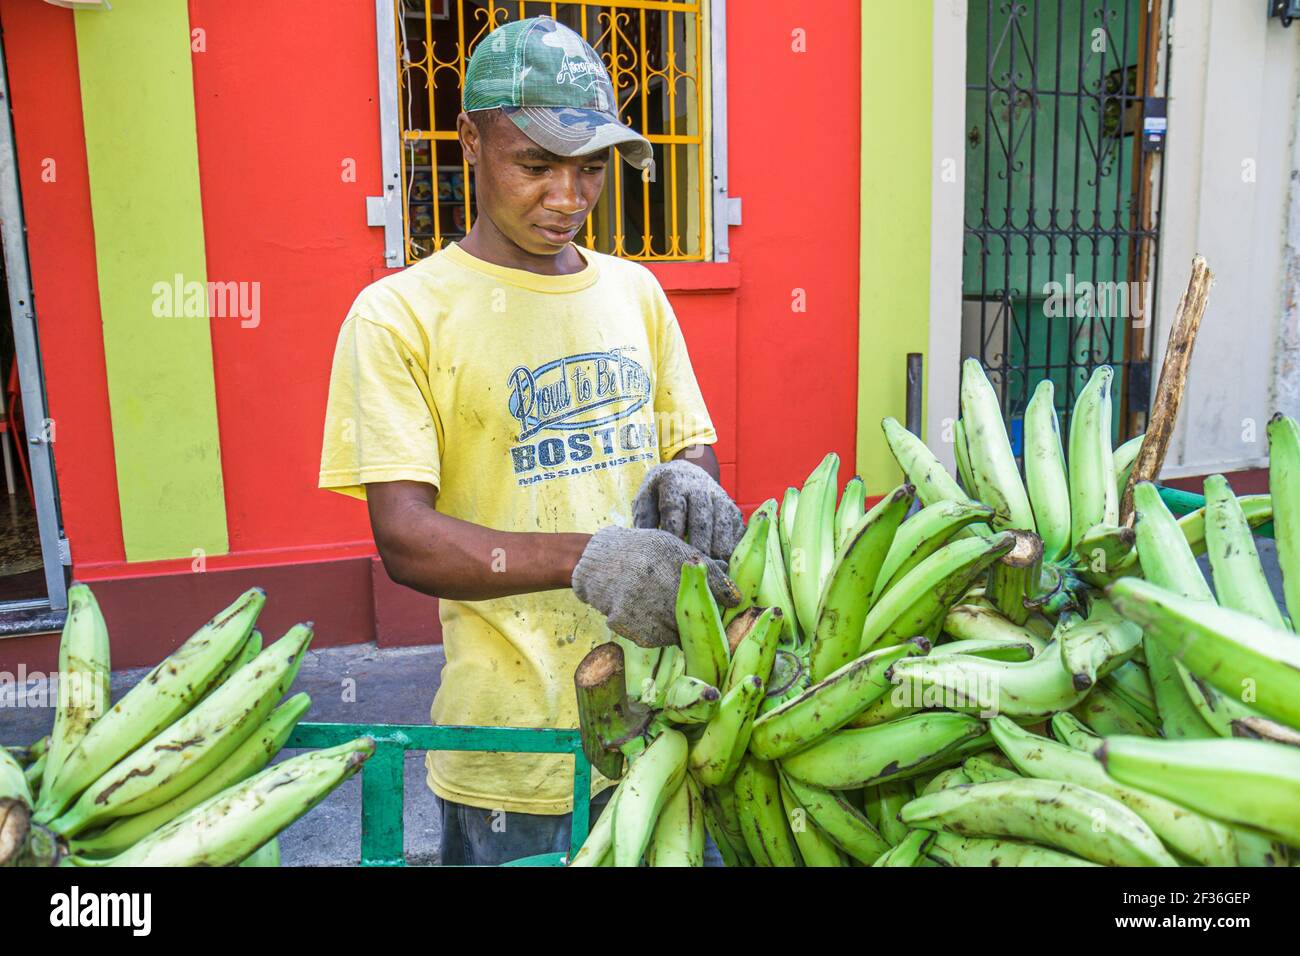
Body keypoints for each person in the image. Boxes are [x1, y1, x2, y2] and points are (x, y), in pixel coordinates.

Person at [318, 15, 741, 866]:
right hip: (511, 749)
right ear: (469, 139)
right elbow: (406, 538)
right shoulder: (401, 315)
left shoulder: (636, 293)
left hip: (669, 719)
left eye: (591, 170)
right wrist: (593, 559)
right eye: (536, 165)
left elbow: (688, 442)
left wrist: (692, 481)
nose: (567, 198)